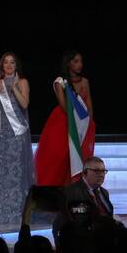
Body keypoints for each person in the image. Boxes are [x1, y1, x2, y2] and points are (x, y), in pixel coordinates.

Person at [0, 52, 34, 229]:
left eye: (12, 62)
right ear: (2, 65)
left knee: (16, 172)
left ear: (16, 65)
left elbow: (25, 105)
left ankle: (19, 212)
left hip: (17, 134)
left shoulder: (23, 82)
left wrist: (14, 89)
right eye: (6, 62)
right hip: (0, 133)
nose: (9, 65)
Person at [35, 50, 95, 185]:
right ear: (68, 64)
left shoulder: (85, 82)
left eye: (81, 61)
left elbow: (89, 105)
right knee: (61, 158)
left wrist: (88, 123)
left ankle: (78, 190)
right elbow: (64, 106)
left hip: (83, 124)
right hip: (63, 124)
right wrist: (77, 123)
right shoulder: (60, 82)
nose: (80, 65)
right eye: (76, 61)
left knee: (82, 158)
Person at [66, 156, 114, 221]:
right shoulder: (72, 192)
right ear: (85, 173)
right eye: (97, 171)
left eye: (103, 171)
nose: (101, 175)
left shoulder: (104, 192)